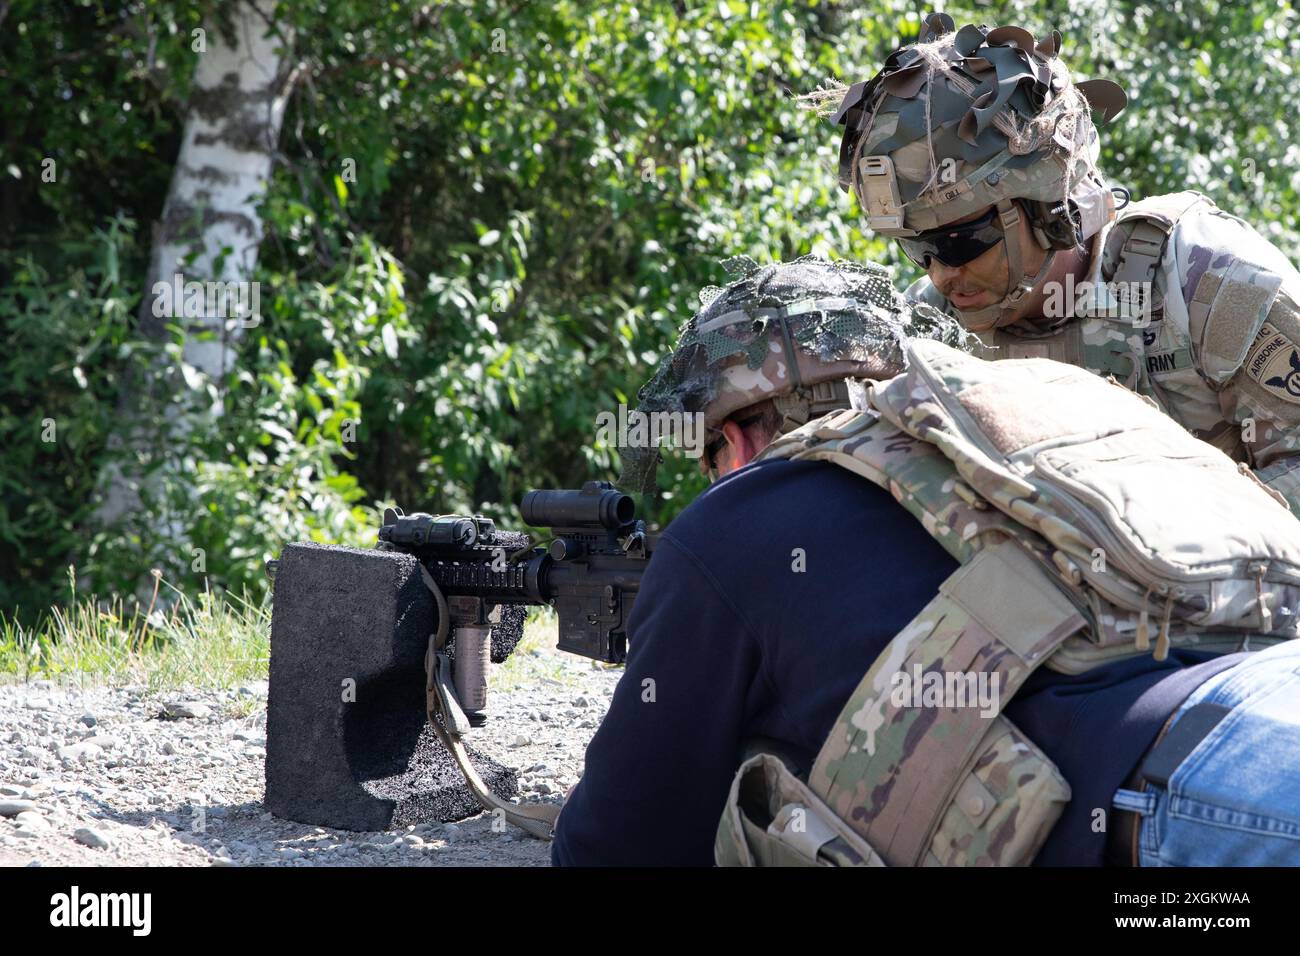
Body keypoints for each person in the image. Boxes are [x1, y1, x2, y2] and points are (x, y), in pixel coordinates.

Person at [550, 257, 1300, 867]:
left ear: (738, 438)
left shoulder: (742, 512)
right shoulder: (1013, 440)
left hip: (1201, 807)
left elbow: (612, 845)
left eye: (710, 454)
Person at [826, 13, 1300, 513]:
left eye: (960, 242)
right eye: (918, 249)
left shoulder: (1207, 283)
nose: (942, 274)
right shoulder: (933, 334)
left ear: (1047, 210)